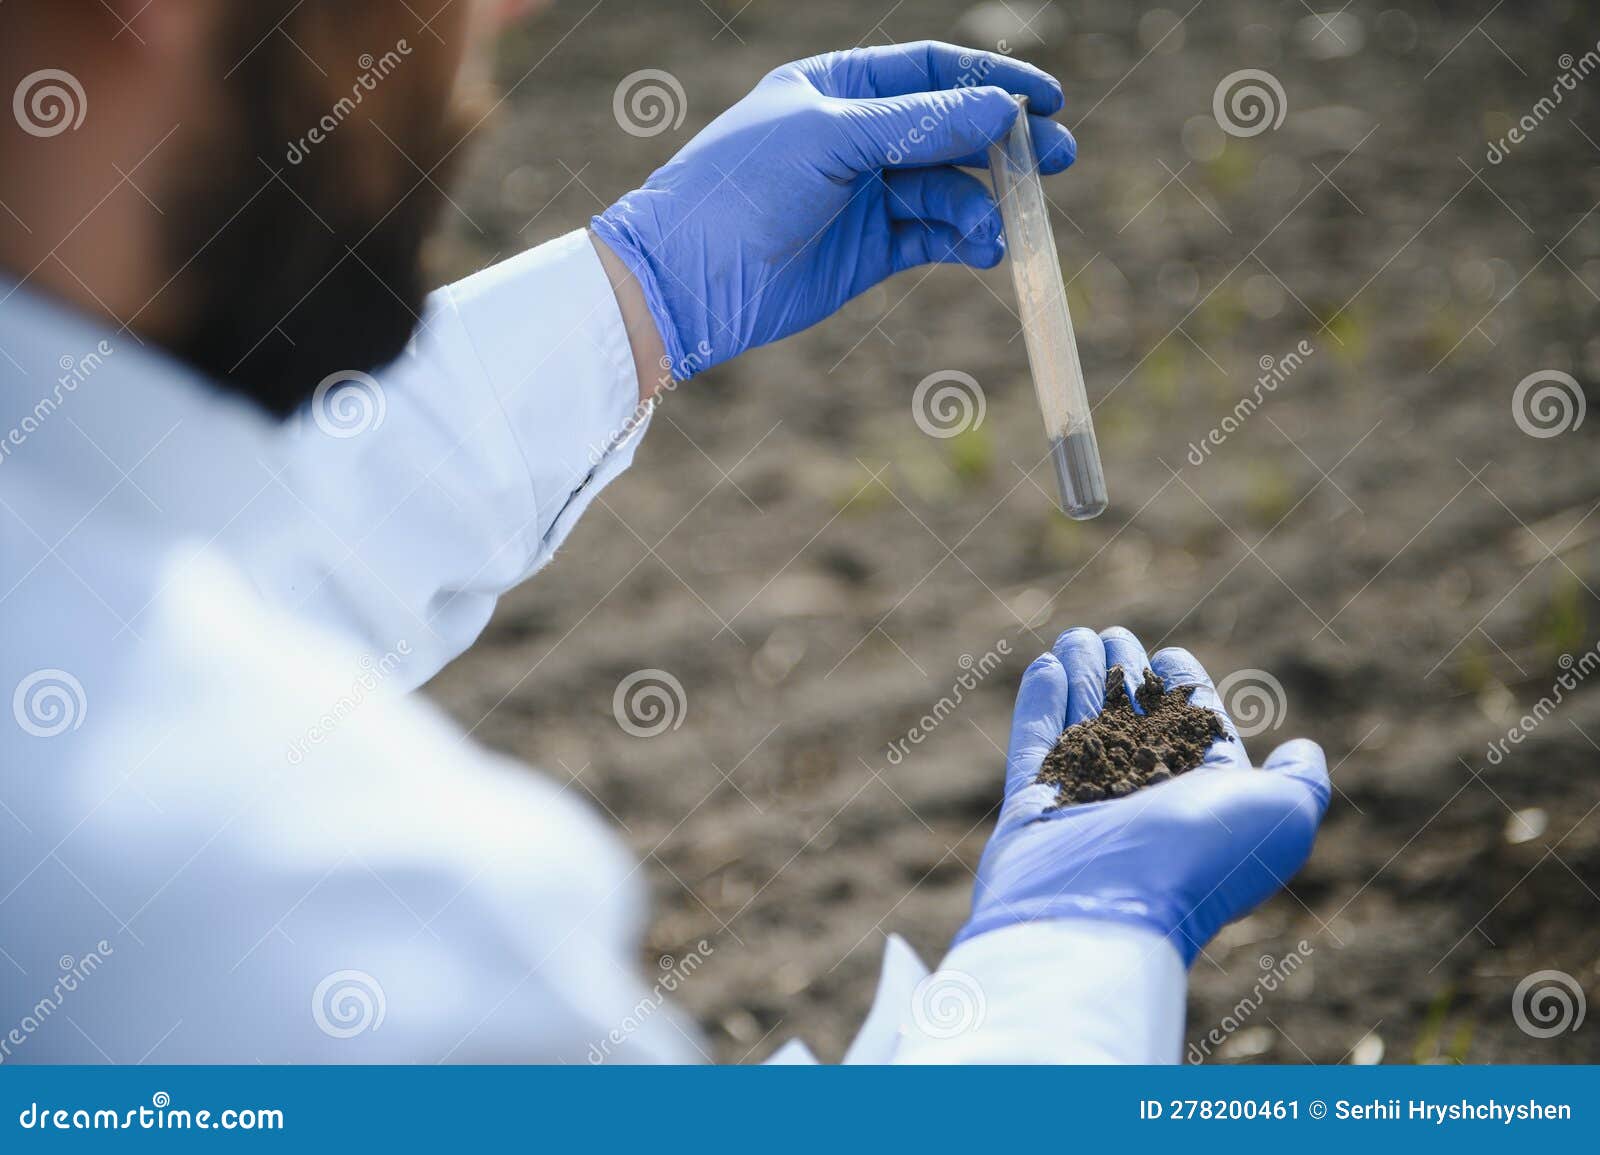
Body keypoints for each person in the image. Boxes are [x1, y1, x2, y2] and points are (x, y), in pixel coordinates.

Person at [0, 1, 1329, 1063]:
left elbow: (144, 561)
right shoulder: (343, 924)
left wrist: (637, 293)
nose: (505, 14)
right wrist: (1071, 958)